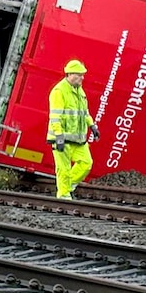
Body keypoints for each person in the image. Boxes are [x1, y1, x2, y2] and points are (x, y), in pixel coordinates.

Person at [47, 60, 98, 200]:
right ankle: (63, 197)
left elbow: (84, 112)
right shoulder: (59, 91)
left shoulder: (79, 90)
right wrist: (58, 136)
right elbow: (55, 116)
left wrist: (92, 126)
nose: (82, 78)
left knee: (86, 163)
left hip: (78, 139)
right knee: (63, 169)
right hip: (62, 138)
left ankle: (67, 187)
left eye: (83, 75)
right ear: (69, 74)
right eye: (79, 75)